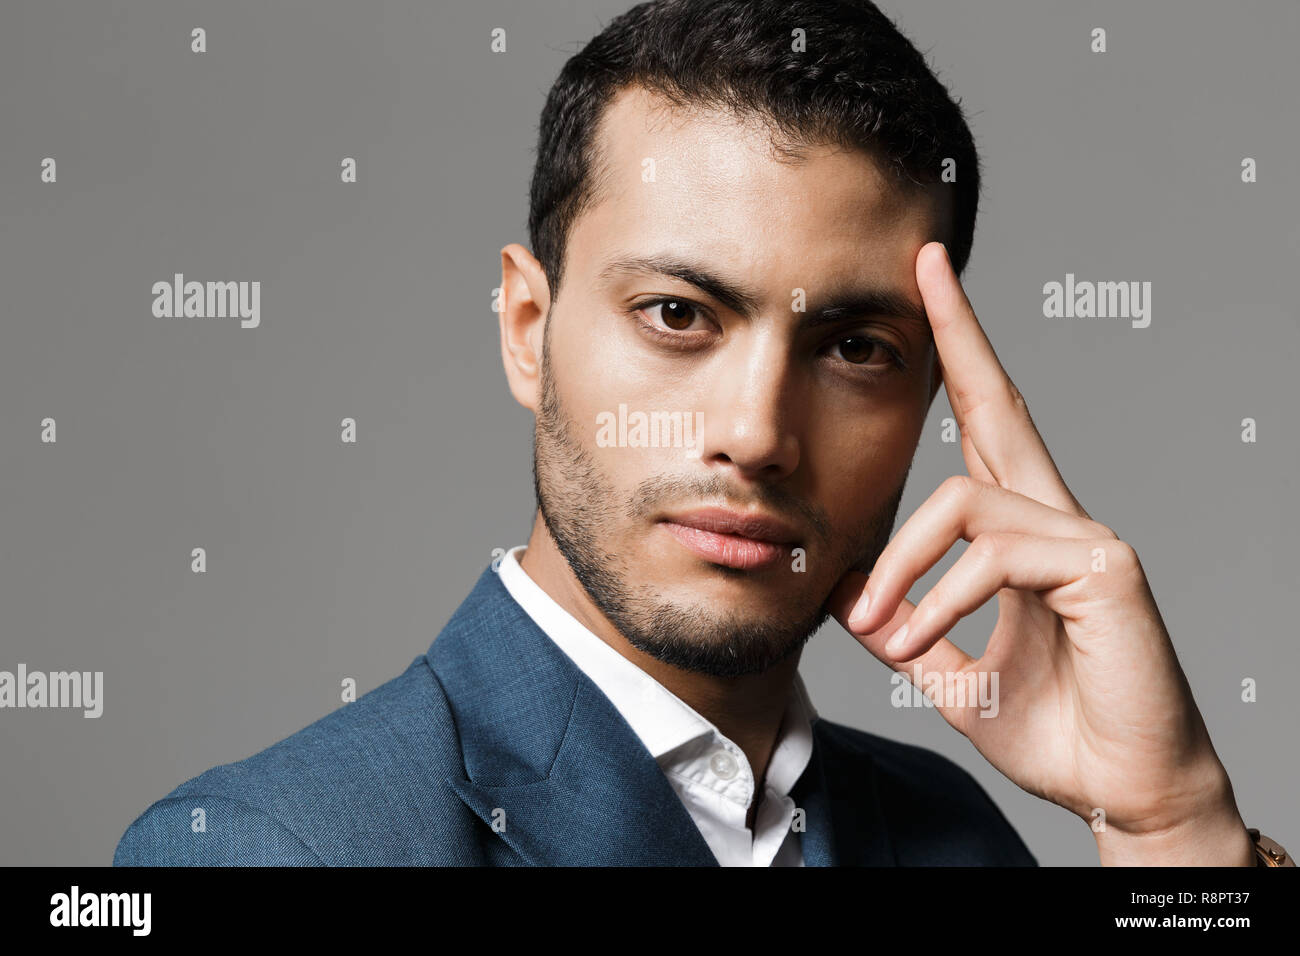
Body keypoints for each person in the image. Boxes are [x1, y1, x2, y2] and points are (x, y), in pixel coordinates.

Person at [114, 0, 1286, 867]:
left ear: (931, 398)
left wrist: (1170, 823)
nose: (756, 432)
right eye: (678, 314)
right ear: (528, 328)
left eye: (851, 347)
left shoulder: (952, 838)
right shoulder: (273, 846)